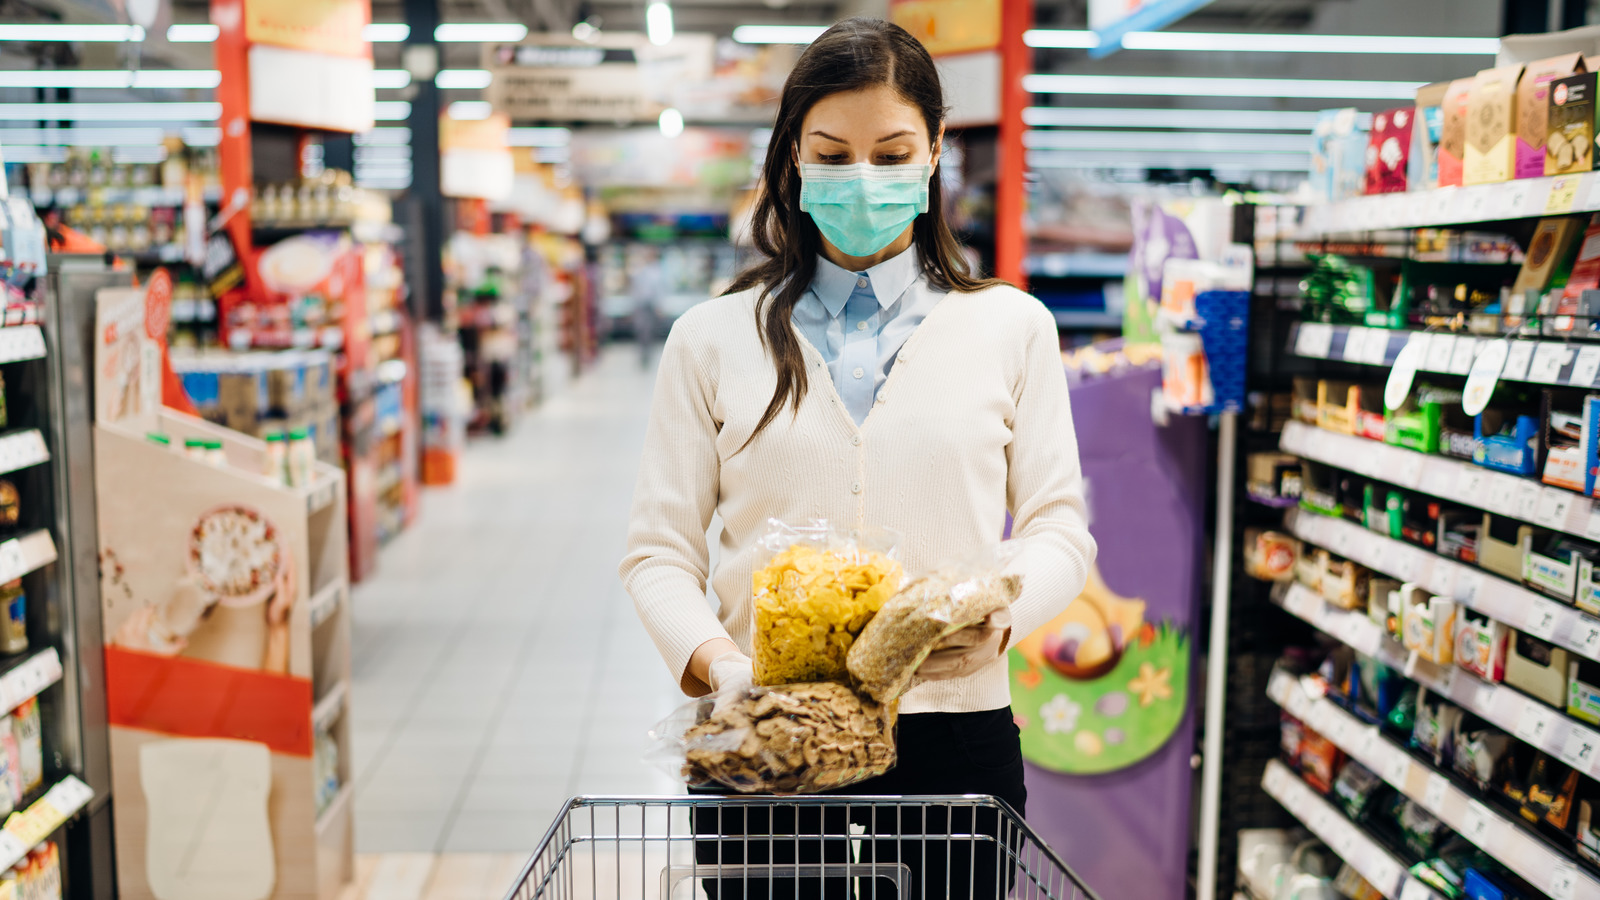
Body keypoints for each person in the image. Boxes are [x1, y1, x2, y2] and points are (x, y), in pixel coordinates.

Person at [619, 16, 1097, 899]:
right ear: (793, 157)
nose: (861, 178)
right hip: (765, 730)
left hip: (954, 725)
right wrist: (724, 669)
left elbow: (1059, 529)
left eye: (890, 151)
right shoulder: (711, 339)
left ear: (934, 150)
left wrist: (998, 616)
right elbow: (658, 554)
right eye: (832, 154)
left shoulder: (1010, 327)